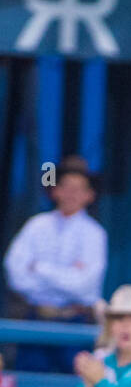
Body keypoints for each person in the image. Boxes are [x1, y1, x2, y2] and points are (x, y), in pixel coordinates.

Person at [3, 156, 107, 372]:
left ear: (89, 195)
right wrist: (67, 275)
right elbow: (15, 274)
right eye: (65, 187)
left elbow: (83, 286)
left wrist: (39, 268)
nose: (71, 194)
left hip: (75, 321)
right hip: (36, 318)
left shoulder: (95, 234)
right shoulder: (36, 226)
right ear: (55, 190)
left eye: (78, 189)